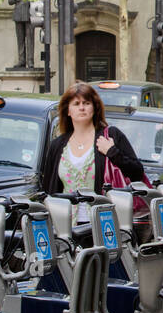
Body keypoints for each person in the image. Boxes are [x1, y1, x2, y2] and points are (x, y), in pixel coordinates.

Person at [42, 82, 143, 224]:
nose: (82, 108)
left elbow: (137, 172)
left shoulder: (111, 136)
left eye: (86, 103)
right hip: (65, 226)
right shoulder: (57, 145)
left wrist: (112, 152)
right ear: (68, 111)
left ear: (95, 108)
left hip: (105, 223)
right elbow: (48, 188)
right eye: (76, 104)